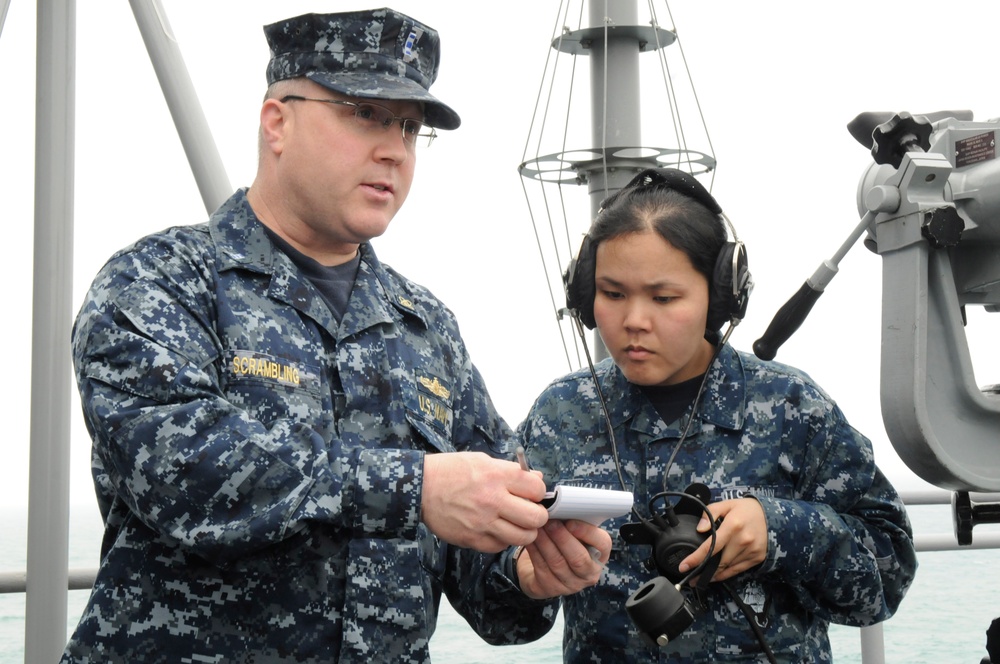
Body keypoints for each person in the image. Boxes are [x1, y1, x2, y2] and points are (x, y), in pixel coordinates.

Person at [62, 8, 608, 663]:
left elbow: (484, 581)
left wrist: (529, 573)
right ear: (278, 122)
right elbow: (181, 477)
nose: (394, 150)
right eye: (365, 114)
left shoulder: (426, 326)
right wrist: (418, 488)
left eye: (409, 128)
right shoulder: (160, 281)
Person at [515, 168, 918, 662]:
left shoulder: (792, 407)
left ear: (719, 298)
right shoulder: (560, 414)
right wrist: (523, 577)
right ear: (584, 295)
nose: (634, 321)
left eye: (664, 298)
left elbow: (889, 575)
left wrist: (780, 530)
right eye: (612, 294)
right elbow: (497, 604)